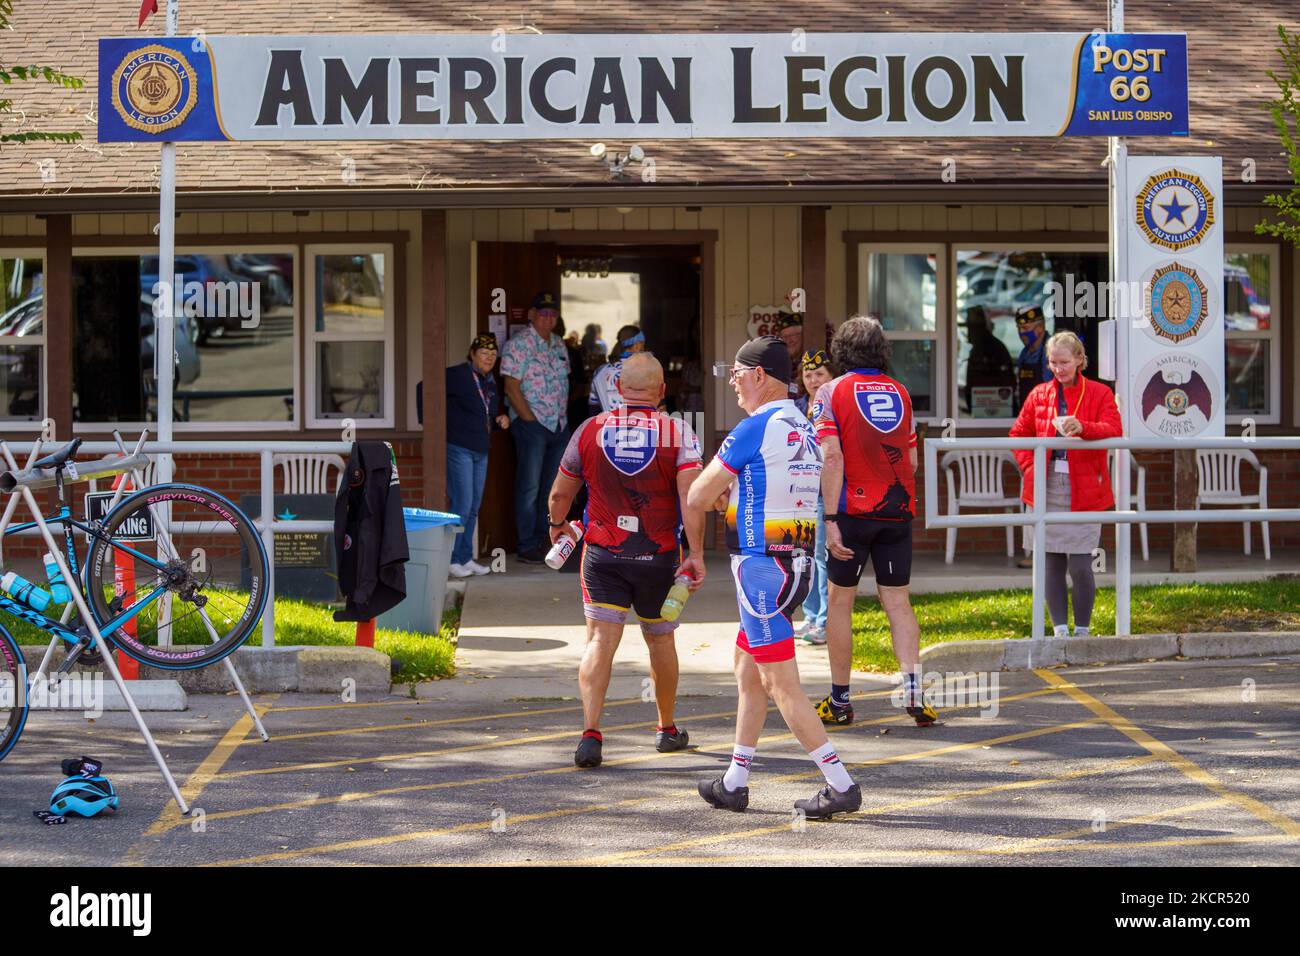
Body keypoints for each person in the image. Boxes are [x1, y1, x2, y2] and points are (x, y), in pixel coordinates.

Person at [685, 336, 862, 819]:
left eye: (737, 374)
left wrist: (720, 493)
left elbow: (698, 495)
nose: (734, 383)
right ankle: (734, 781)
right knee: (748, 671)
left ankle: (840, 783)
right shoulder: (803, 426)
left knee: (781, 682)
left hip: (761, 571)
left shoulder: (754, 425)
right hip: (797, 566)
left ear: (759, 375)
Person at [546, 353, 706, 768]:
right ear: (662, 391)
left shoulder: (590, 429)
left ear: (618, 389)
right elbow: (693, 499)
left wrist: (557, 523)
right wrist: (698, 553)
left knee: (600, 641)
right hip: (658, 556)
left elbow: (560, 493)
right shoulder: (677, 432)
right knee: (660, 639)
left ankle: (590, 734)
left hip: (603, 554)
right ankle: (666, 729)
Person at [814, 315, 937, 729]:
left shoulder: (831, 392)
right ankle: (915, 690)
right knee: (898, 601)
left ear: (841, 352)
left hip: (851, 512)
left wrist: (830, 519)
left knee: (839, 603)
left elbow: (831, 457)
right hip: (897, 512)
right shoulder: (901, 392)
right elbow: (913, 460)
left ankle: (840, 701)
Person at [1009, 330, 1121, 638]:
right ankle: (1059, 630)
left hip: (1084, 485)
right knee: (1050, 561)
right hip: (1045, 484)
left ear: (1080, 360)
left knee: (1082, 564)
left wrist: (1084, 427)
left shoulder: (1099, 393)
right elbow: (1018, 435)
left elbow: (1114, 428)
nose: (1058, 369)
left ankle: (1082, 630)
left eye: (1064, 362)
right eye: (1053, 362)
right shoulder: (1039, 394)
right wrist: (1030, 465)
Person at [500, 291, 572, 564]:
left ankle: (546, 539)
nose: (549, 319)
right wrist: (529, 420)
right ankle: (527, 543)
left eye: (553, 314)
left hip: (558, 425)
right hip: (533, 425)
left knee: (552, 487)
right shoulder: (519, 345)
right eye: (543, 314)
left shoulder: (558, 345)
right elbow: (511, 386)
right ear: (532, 315)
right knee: (529, 487)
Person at [444, 333, 510, 577]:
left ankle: (465, 557)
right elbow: (424, 387)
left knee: (473, 506)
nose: (489, 358)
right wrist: (428, 422)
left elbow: (484, 410)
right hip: (459, 447)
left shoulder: (489, 380)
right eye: (484, 354)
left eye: (493, 355)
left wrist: (498, 419)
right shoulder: (458, 374)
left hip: (481, 449)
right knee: (461, 504)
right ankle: (451, 559)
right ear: (472, 354)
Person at [795, 349, 836, 645]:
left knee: (821, 556)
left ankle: (824, 620)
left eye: (819, 374)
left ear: (831, 376)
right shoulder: (797, 406)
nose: (812, 379)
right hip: (799, 488)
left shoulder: (836, 404)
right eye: (808, 374)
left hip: (823, 489)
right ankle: (809, 616)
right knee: (803, 555)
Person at [964, 305, 1014, 416]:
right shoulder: (977, 350)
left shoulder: (994, 349)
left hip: (999, 412)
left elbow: (1008, 384)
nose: (968, 333)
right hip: (981, 411)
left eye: (970, 328)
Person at [588, 325, 645, 414]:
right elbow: (659, 406)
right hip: (639, 425)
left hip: (607, 425)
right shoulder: (646, 369)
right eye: (643, 345)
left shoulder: (600, 371)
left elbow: (594, 408)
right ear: (637, 346)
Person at [1014, 304, 1052, 412]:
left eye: (1025, 328)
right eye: (1019, 328)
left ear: (1040, 328)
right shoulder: (1024, 354)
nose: (1021, 333)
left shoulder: (1052, 351)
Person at [775, 309, 804, 401]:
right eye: (785, 336)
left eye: (794, 335)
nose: (789, 340)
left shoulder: (811, 359)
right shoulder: (778, 364)